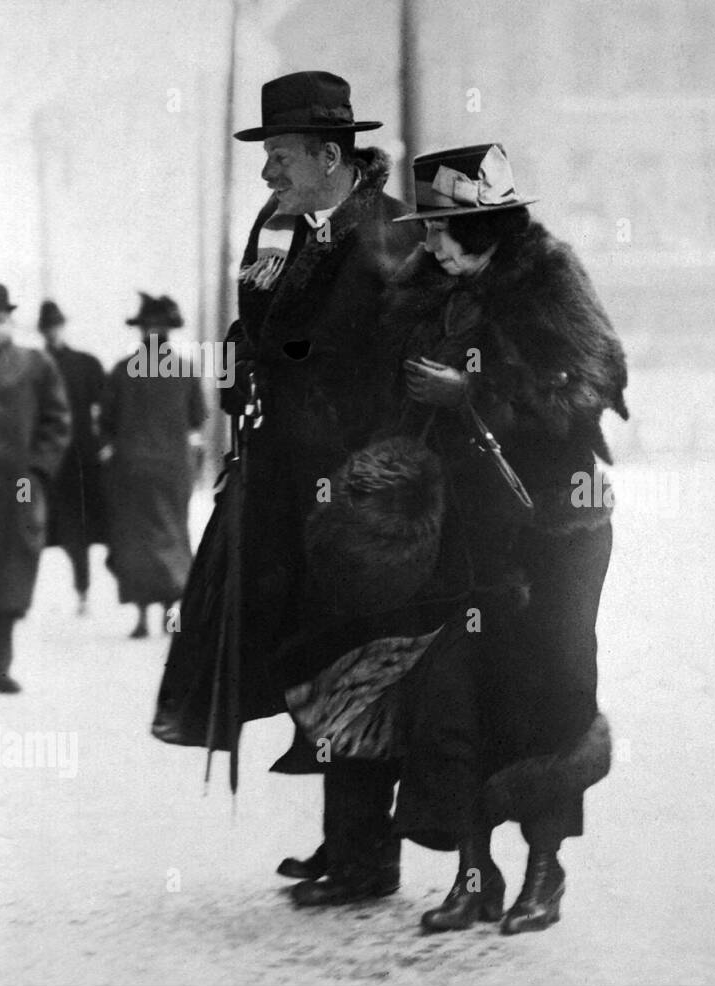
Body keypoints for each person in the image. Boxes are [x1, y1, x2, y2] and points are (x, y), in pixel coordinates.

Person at [151, 72, 419, 902]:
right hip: (280, 481)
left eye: (281, 157)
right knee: (302, 650)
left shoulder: (389, 234)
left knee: (355, 663)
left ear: (331, 157)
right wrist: (239, 369)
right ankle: (342, 839)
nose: (268, 175)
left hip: (354, 492)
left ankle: (367, 857)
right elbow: (254, 323)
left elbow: (401, 363)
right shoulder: (278, 226)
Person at [375, 143, 628, 933]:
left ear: (492, 224)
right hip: (466, 530)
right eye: (430, 230)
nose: (436, 245)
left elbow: (592, 383)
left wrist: (474, 391)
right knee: (459, 697)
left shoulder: (547, 278)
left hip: (555, 527)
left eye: (451, 229)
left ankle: (544, 874)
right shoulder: (423, 292)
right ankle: (472, 873)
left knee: (549, 692)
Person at [0, 282, 72, 693]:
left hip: (18, 485)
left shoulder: (35, 364)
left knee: (9, 569)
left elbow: (56, 419)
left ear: (10, 322)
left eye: (0, 320)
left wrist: (36, 471)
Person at [102, 293, 205, 638]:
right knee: (172, 534)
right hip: (173, 469)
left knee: (135, 539)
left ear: (142, 331)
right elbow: (197, 419)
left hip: (131, 468)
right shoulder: (186, 371)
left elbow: (107, 422)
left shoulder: (122, 371)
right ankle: (169, 611)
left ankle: (142, 617)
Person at [38, 300, 107, 615]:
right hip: (44, 461)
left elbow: (106, 409)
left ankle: (83, 592)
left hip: (79, 461)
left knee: (76, 528)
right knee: (30, 523)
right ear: (42, 330)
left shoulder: (84, 364)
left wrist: (102, 445)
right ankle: (18, 596)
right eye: (47, 327)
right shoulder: (34, 365)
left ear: (62, 327)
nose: (52, 332)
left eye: (56, 325)